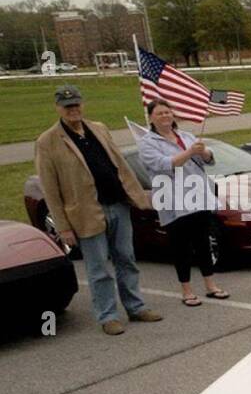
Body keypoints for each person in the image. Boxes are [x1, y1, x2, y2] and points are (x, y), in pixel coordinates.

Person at [34, 85, 164, 335]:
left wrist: (136, 196)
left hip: (117, 205)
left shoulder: (99, 128)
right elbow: (50, 189)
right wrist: (63, 226)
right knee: (99, 269)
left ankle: (136, 307)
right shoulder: (47, 142)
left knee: (126, 259)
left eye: (76, 105)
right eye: (67, 106)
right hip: (85, 214)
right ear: (58, 108)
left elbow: (120, 165)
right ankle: (108, 316)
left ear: (83, 105)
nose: (73, 110)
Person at [136, 99, 229, 306]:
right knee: (181, 247)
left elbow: (209, 160)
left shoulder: (186, 136)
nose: (165, 117)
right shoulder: (147, 143)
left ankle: (210, 285)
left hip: (198, 196)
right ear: (151, 118)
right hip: (174, 201)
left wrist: (203, 151)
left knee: (202, 243)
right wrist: (189, 152)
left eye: (167, 112)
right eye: (159, 114)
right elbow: (164, 165)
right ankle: (187, 291)